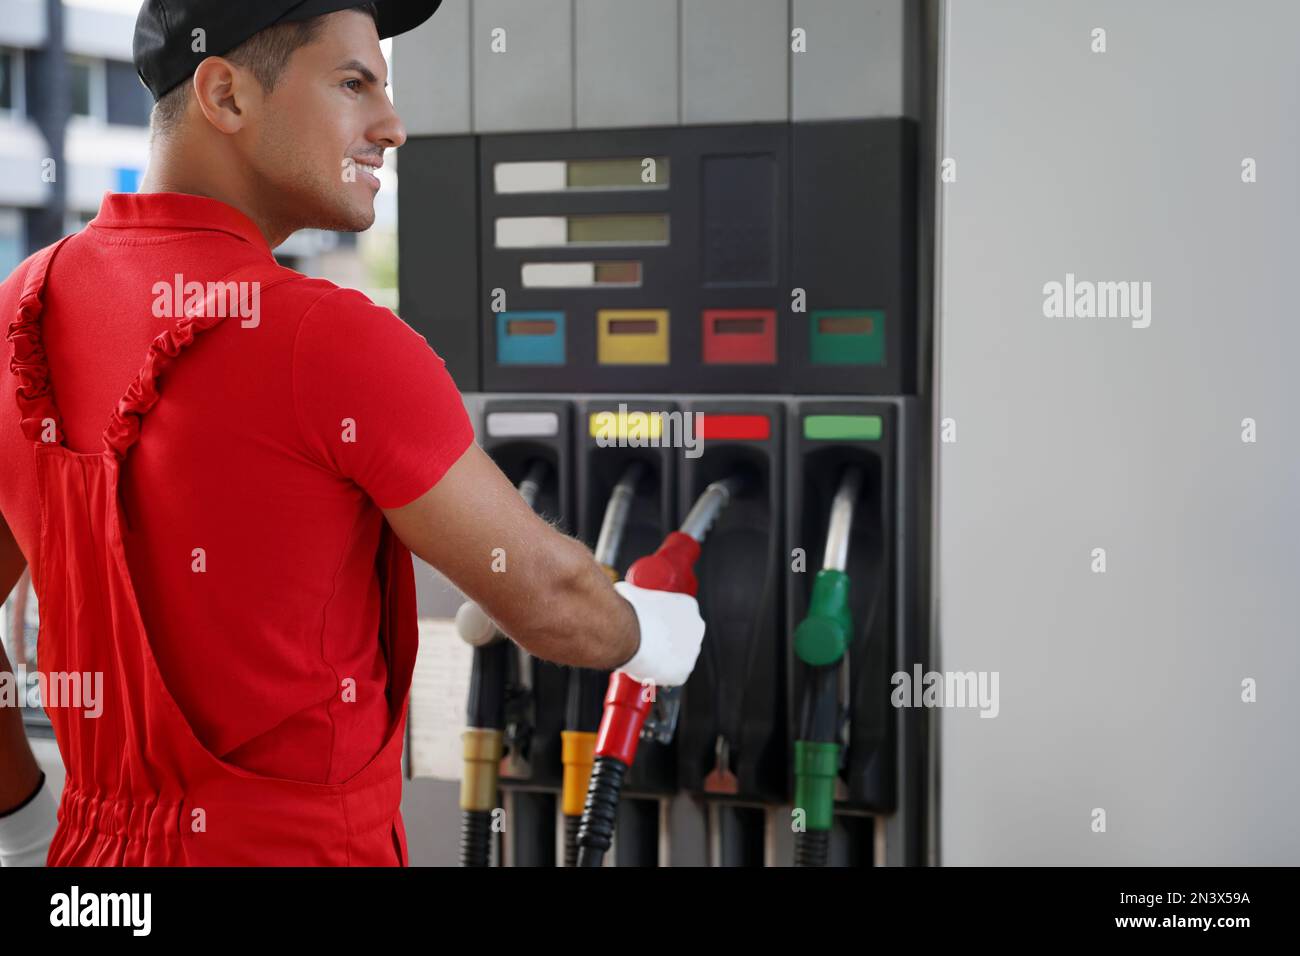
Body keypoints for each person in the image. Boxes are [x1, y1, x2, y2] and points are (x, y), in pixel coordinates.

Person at [0, 0, 703, 867]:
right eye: (352, 84)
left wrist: (28, 826)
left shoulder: (19, 311)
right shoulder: (325, 338)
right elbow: (552, 601)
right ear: (224, 95)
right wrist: (657, 631)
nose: (392, 126)